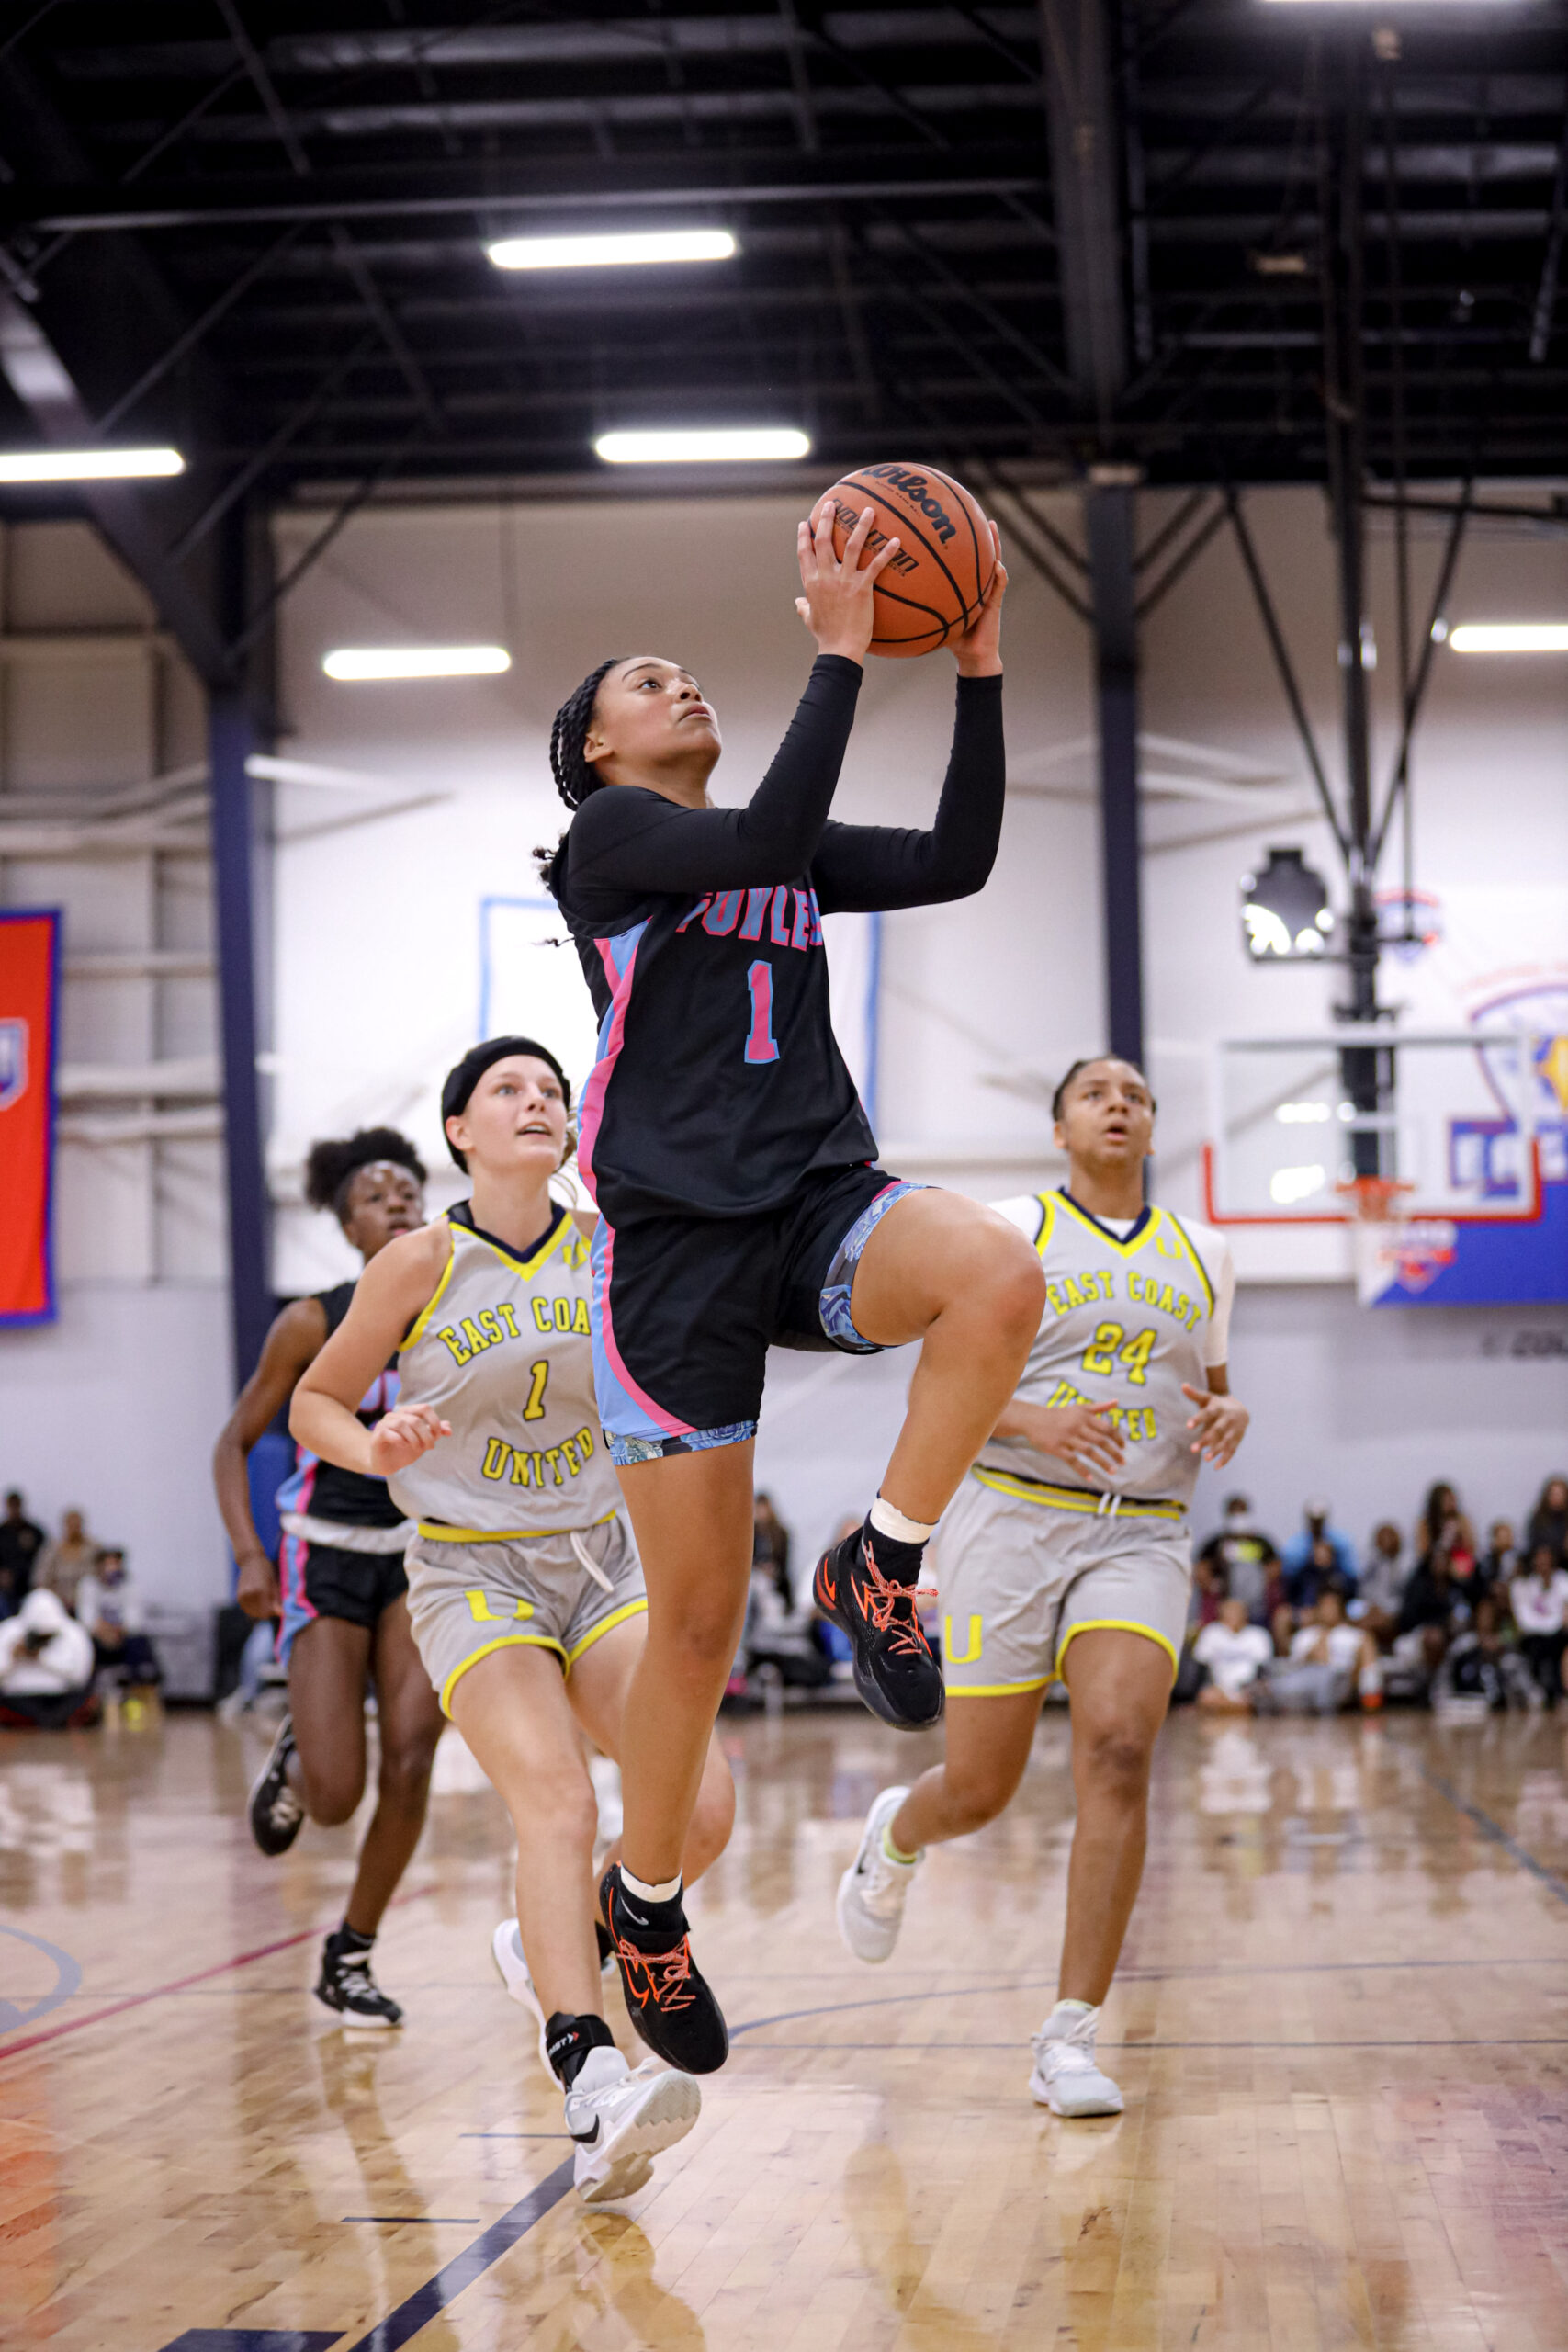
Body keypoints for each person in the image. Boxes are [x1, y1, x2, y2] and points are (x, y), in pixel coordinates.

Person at [539, 496, 1043, 2073]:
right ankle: (644, 1908)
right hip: (674, 1246)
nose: (682, 684)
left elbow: (957, 858)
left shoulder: (771, 840)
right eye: (647, 682)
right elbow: (758, 843)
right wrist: (841, 654)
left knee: (996, 1275)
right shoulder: (611, 842)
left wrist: (976, 669)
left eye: (687, 672)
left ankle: (879, 1561)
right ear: (599, 750)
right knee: (692, 1630)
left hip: (816, 1196)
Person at [290, 1038, 736, 2205]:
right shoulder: (419, 1260)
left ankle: (557, 1941)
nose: (536, 1101)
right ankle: (590, 2076)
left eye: (551, 1091)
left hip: (600, 1562)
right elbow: (313, 1401)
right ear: (460, 1132)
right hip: (473, 1572)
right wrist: (370, 1443)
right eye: (508, 1090)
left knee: (702, 1808)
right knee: (561, 1802)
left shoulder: (612, 1246)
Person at [834, 1055, 1247, 2119]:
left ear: (1152, 1127)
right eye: (1096, 1094)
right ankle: (898, 1834)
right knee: (981, 1788)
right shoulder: (1013, 1228)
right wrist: (1033, 1418)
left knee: (1118, 1750)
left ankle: (1070, 2034)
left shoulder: (1205, 1251)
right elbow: (939, 1381)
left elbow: (1213, 1387)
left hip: (1141, 1529)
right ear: (1060, 1128)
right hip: (1012, 1514)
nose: (1119, 1105)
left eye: (1136, 1096)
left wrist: (1228, 1414)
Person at [213, 1126, 445, 2030]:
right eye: (375, 1197)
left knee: (413, 1758)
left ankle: (350, 1952)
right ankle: (300, 1755)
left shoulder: (461, 1307)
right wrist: (249, 1554)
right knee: (338, 1796)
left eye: (407, 1190)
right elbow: (233, 1443)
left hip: (425, 1552)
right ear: (347, 1227)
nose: (397, 1203)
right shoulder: (314, 1320)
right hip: (325, 1549)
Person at [1255, 1583, 1379, 1715]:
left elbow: (1367, 1667)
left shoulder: (1356, 1636)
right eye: (1325, 1605)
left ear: (1341, 1608)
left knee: (1330, 1675)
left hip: (1341, 1682)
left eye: (1332, 1605)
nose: (1328, 1610)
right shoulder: (1304, 1636)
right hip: (1307, 1683)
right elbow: (1294, 1669)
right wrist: (1311, 1655)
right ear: (1318, 1608)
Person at [0, 1588, 96, 1729]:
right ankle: (46, 1723)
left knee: (84, 1700)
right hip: (17, 1698)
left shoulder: (74, 1633)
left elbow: (80, 1677)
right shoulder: (8, 1631)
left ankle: (47, 1722)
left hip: (60, 1697)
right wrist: (13, 1656)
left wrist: (41, 1657)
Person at [74, 1547, 161, 1689]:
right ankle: (85, 1691)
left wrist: (118, 1630)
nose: (111, 1569)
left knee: (139, 1643)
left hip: (122, 1638)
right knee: (84, 1644)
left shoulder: (130, 1584)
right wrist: (103, 1630)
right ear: (98, 1566)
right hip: (98, 1638)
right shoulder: (88, 1585)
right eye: (108, 1564)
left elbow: (135, 1619)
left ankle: (139, 1686)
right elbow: (86, 1619)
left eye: (115, 1564)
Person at [1194, 1493, 1277, 1624]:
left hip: (1255, 1603)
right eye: (1235, 1514)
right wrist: (1213, 1585)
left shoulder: (1260, 1541)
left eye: (1242, 1513)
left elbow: (1275, 1565)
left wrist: (1262, 1583)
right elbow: (1201, 1568)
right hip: (1225, 1601)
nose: (1239, 1518)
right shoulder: (1216, 1542)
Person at [1509, 1542, 1568, 1706]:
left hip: (1559, 1636)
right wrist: (1555, 1622)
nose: (1544, 1564)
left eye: (1547, 1559)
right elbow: (1526, 1621)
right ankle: (1540, 1689)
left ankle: (1562, 1690)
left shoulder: (1563, 1579)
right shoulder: (1522, 1585)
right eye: (1540, 1560)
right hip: (1533, 1638)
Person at [1193, 1595, 1274, 1713]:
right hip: (1218, 1688)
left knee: (1259, 1697)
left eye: (1237, 1612)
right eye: (1229, 1612)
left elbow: (1262, 1671)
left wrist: (1246, 1691)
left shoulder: (1258, 1635)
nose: (1233, 1615)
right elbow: (1202, 1667)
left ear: (1245, 1614)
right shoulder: (1211, 1632)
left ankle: (1228, 1708)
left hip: (1248, 1689)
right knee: (1207, 1697)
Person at [1280, 1500, 1357, 1599]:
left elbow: (1351, 1579)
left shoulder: (1342, 1541)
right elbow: (1290, 1582)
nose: (1317, 1524)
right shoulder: (1295, 1545)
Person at [35, 1508, 99, 1615]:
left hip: (86, 1603)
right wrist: (57, 1597)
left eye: (77, 1525)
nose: (74, 1529)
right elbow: (41, 1578)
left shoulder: (93, 1549)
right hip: (57, 1602)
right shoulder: (52, 1549)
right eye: (71, 1525)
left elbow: (98, 1576)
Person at [1357, 1521, 1407, 1640]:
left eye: (1389, 1538)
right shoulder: (1372, 1563)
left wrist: (1385, 1609)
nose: (1386, 1542)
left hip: (1393, 1612)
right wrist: (1371, 1606)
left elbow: (1403, 1596)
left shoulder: (1404, 1565)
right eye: (1382, 1538)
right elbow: (1363, 1588)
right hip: (1371, 1608)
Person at [0, 1489, 45, 1616]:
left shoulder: (34, 1532)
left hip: (30, 1583)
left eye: (16, 1505)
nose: (14, 1509)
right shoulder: (2, 1533)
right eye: (11, 1505)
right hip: (6, 1587)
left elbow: (44, 1559)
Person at [1415, 1480, 1476, 1559]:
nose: (1451, 1503)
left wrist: (1458, 1536)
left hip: (1459, 1560)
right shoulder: (1425, 1523)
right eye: (1447, 1500)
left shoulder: (1461, 1520)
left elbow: (1471, 1547)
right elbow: (1422, 1551)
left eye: (1452, 1499)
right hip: (1432, 1561)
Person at [1526, 1475, 1568, 1560]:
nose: (1557, 1498)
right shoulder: (1538, 1519)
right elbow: (1535, 1545)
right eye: (1554, 1494)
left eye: (1560, 1494)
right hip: (1545, 1563)